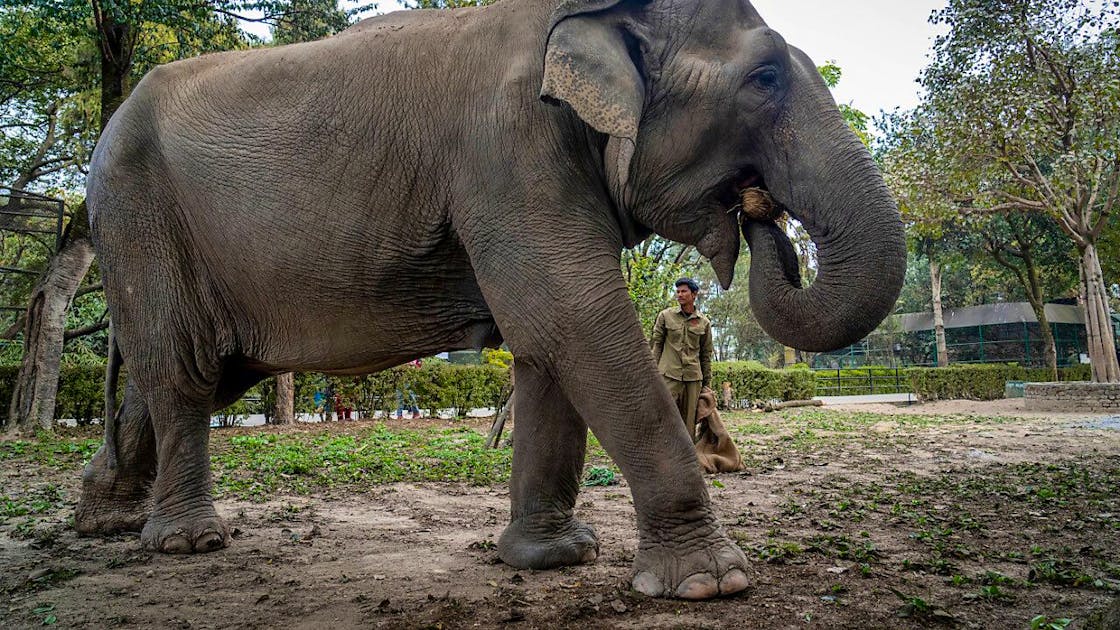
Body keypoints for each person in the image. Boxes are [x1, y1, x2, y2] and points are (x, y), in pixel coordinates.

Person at [650, 277, 714, 442]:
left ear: (694, 294)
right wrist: (653, 375)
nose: (679, 294)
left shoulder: (704, 323)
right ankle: (665, 457)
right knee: (665, 418)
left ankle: (688, 460)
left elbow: (705, 355)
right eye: (677, 291)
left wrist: (707, 386)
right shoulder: (665, 316)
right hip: (668, 376)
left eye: (684, 291)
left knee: (689, 422)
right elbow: (657, 346)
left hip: (693, 380)